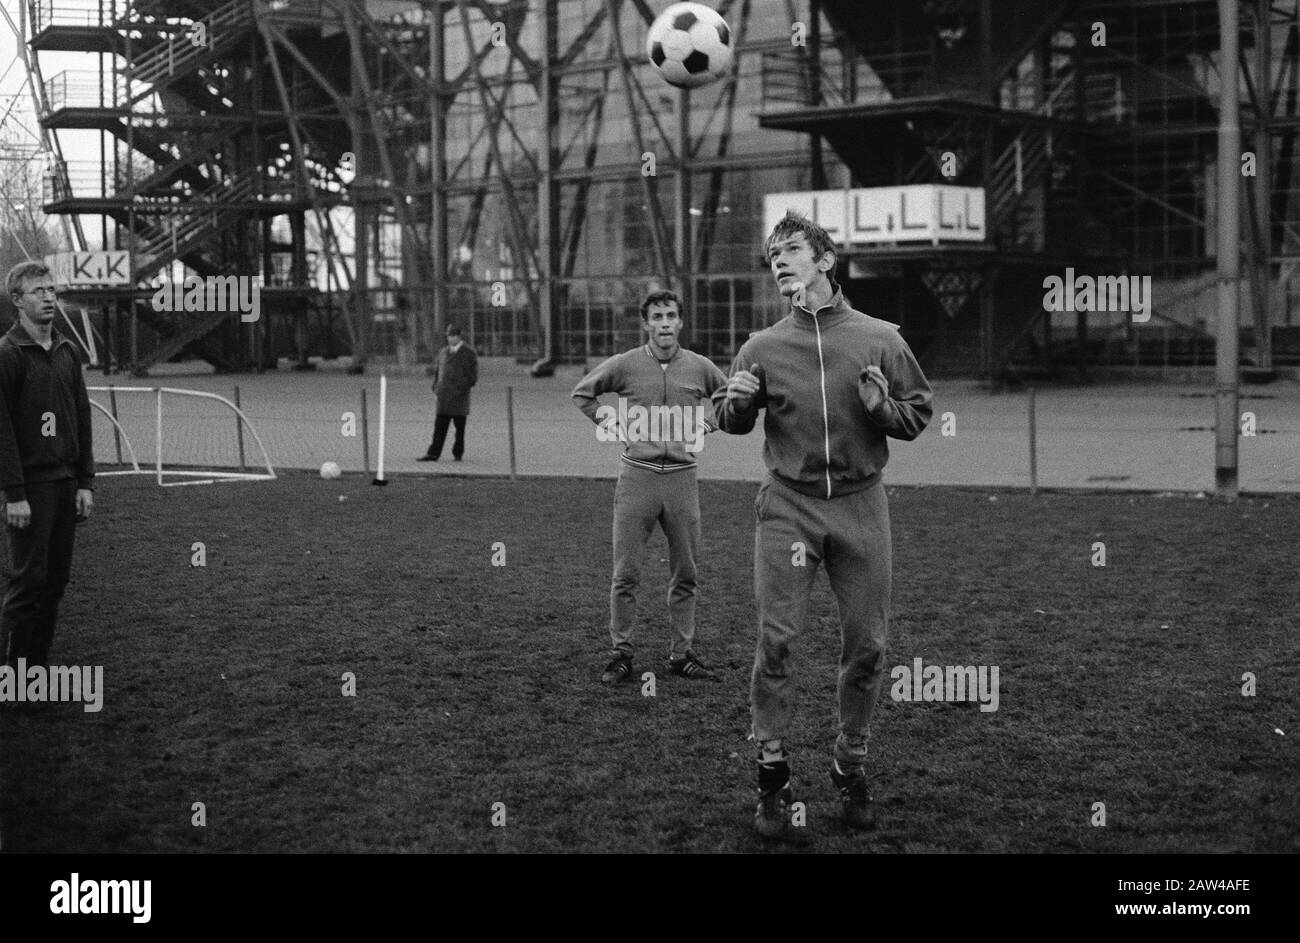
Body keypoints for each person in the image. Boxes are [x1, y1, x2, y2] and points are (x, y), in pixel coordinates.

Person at [712, 211, 933, 840]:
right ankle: (772, 778)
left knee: (868, 645)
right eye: (772, 255)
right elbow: (730, 422)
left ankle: (850, 764)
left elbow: (918, 414)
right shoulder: (760, 348)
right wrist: (738, 403)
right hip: (788, 509)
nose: (779, 261)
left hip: (862, 508)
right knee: (777, 641)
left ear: (825, 260)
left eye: (790, 251)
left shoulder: (880, 338)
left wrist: (882, 408)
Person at [572, 290, 728, 685]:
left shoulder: (699, 367)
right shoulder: (626, 364)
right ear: (646, 323)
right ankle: (621, 654)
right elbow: (583, 393)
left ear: (680, 322)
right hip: (636, 480)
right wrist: (614, 424)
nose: (663, 323)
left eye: (670, 315)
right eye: (656, 316)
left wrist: (707, 424)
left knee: (686, 573)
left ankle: (681, 654)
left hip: (681, 480)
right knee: (625, 575)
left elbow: (731, 399)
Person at [0, 261, 95, 673]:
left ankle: (34, 673)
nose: (48, 297)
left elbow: (82, 415)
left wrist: (85, 481)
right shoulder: (7, 354)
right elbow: (1, 430)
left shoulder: (68, 351)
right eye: (38, 291)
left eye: (52, 290)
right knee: (27, 584)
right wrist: (15, 494)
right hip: (30, 489)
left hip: (65, 483)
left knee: (55, 584)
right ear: (17, 301)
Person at [419, 325, 478, 462]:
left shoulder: (469, 353)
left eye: (452, 336)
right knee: (439, 427)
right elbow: (438, 372)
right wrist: (435, 388)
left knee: (459, 429)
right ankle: (433, 453)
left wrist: (460, 389)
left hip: (459, 398)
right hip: (443, 397)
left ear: (459, 336)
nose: (450, 338)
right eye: (448, 336)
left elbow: (472, 377)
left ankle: (458, 453)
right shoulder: (443, 352)